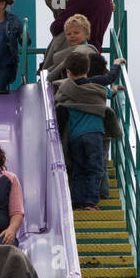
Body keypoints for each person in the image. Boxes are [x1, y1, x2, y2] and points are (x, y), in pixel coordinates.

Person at [55, 52, 124, 209]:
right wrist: (116, 65)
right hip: (93, 134)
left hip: (74, 137)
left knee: (79, 169)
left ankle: (77, 201)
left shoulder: (65, 89)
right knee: (95, 168)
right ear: (88, 69)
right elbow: (109, 81)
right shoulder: (96, 86)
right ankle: (90, 201)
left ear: (68, 72)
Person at [43, 13, 107, 81]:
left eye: (76, 33)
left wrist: (46, 79)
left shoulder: (84, 51)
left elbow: (59, 68)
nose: (72, 36)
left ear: (87, 34)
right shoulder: (73, 50)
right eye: (68, 34)